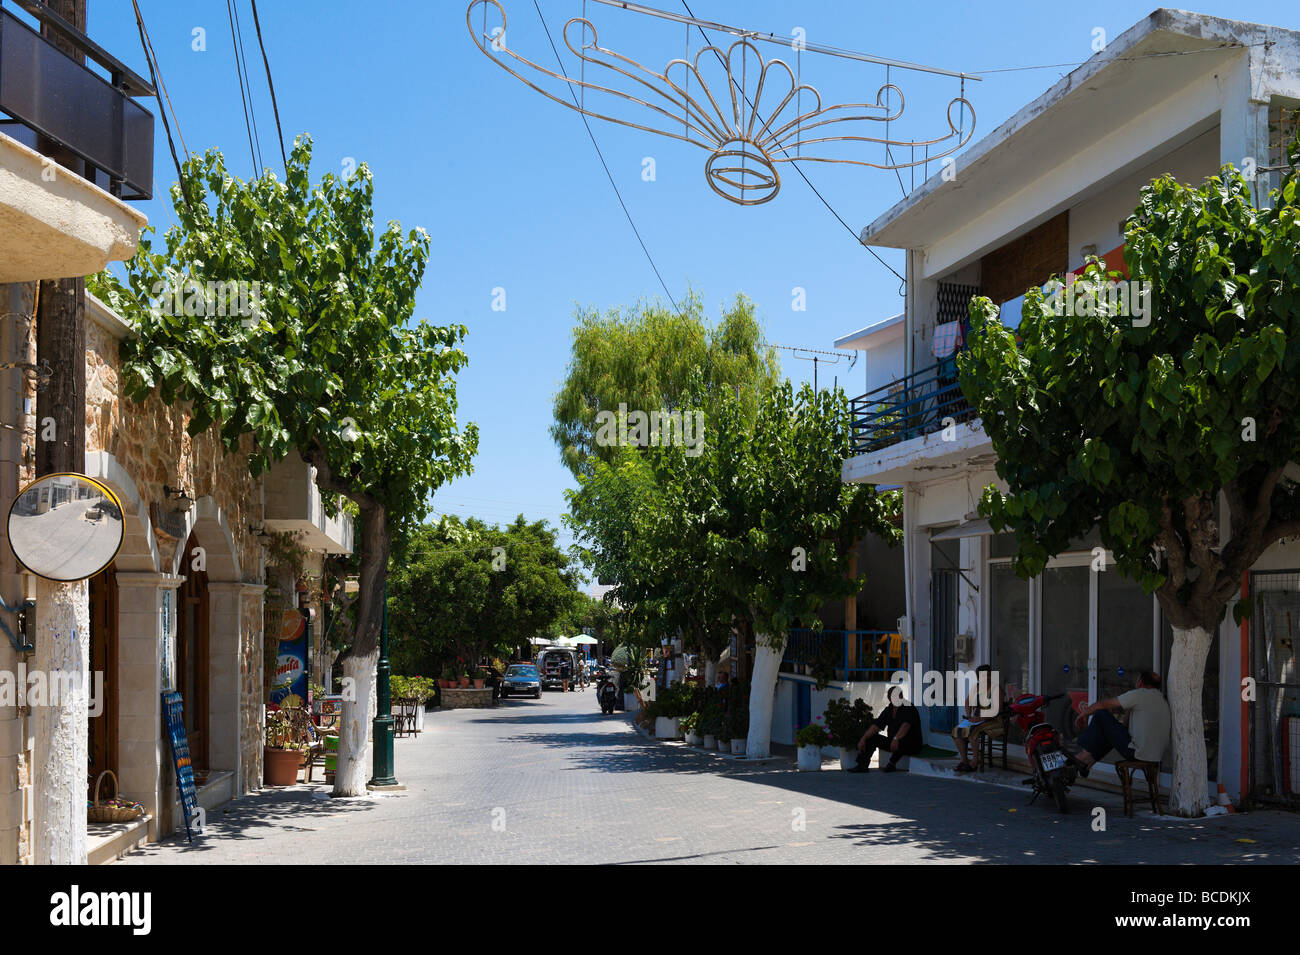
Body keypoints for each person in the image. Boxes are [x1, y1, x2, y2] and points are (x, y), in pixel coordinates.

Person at [1071, 671, 1171, 776]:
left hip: (1137, 753)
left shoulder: (1140, 694)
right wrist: (1130, 709)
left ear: (1140, 682)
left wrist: (1083, 713)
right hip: (1156, 755)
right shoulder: (1161, 699)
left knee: (1101, 714)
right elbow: (1124, 726)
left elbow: (1104, 704)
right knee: (1111, 732)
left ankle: (1084, 755)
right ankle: (1089, 762)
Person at [848, 686, 922, 773]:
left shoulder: (909, 708)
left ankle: (891, 764)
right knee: (872, 738)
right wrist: (863, 738)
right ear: (889, 698)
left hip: (911, 744)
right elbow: (876, 726)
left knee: (903, 741)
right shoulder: (889, 709)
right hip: (893, 742)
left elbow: (906, 725)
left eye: (899, 696)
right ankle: (862, 765)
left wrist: (896, 739)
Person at [951, 664, 1000, 773]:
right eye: (982, 676)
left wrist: (981, 718)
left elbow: (997, 710)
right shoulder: (976, 688)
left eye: (987, 675)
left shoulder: (996, 689)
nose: (985, 678)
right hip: (976, 719)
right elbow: (968, 702)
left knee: (972, 731)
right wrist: (969, 716)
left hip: (992, 720)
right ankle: (964, 761)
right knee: (956, 731)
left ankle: (974, 761)